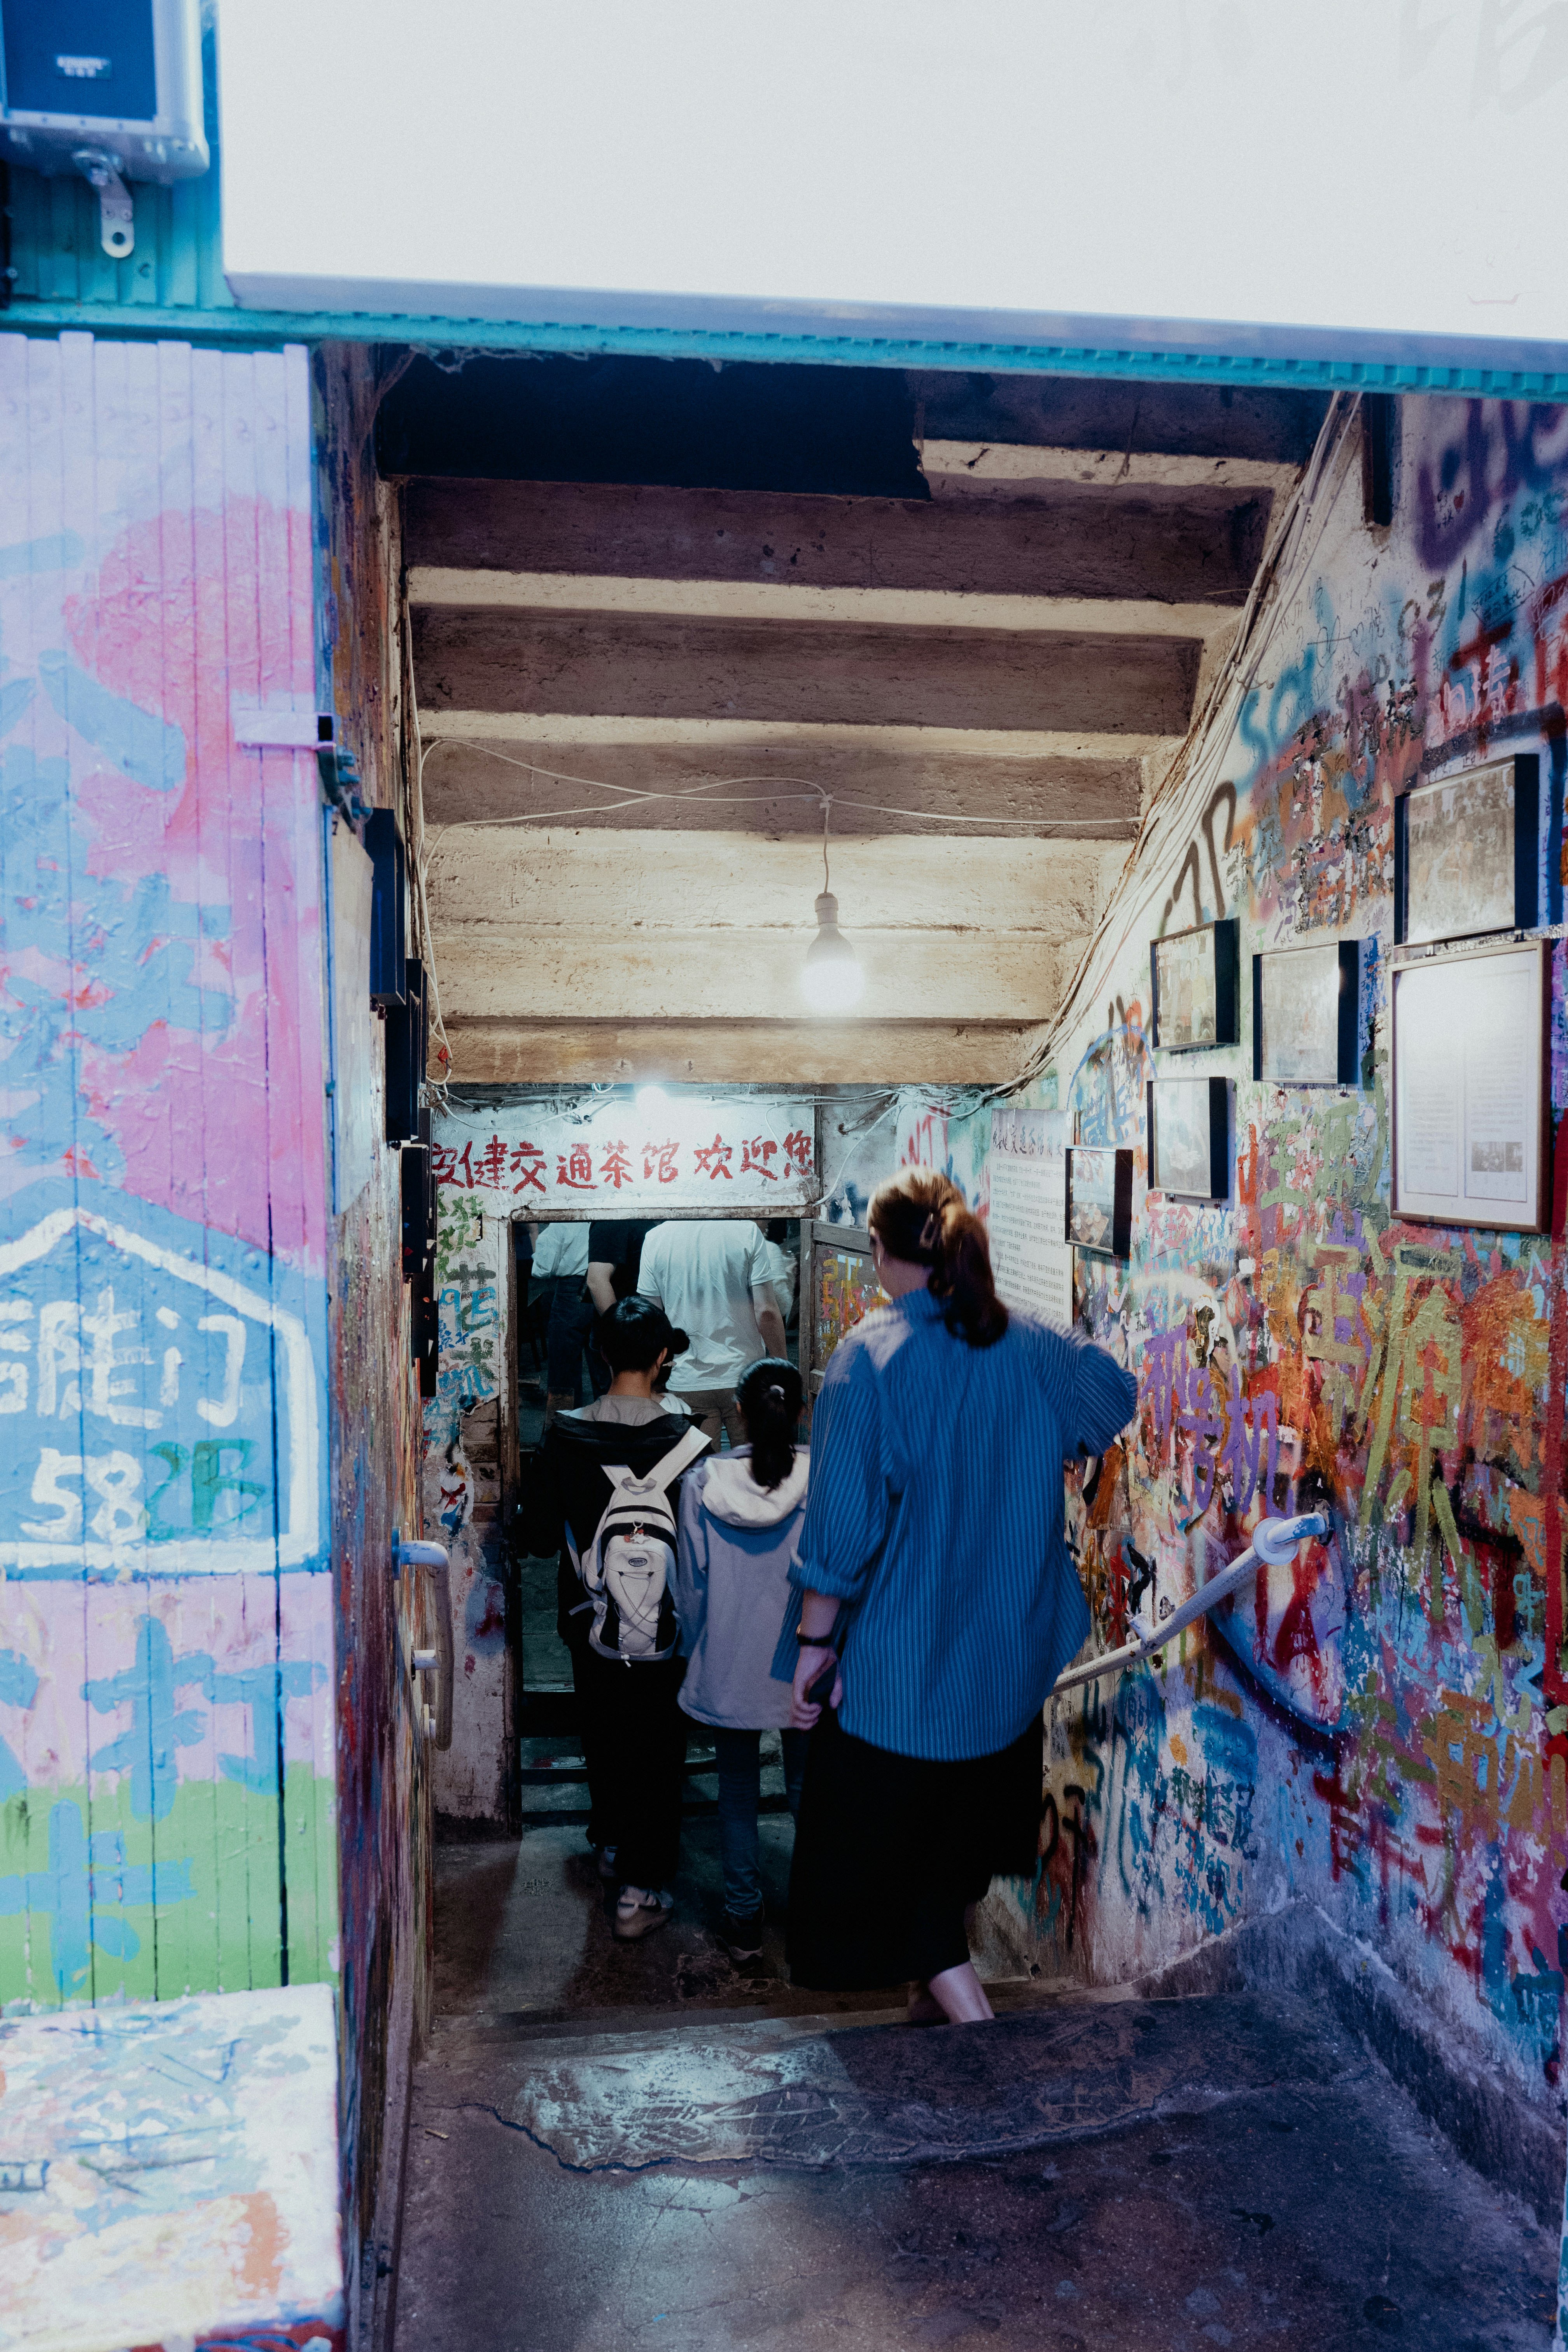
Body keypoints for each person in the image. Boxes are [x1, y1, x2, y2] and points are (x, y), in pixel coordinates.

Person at [785, 1167, 1136, 2025]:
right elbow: (1112, 1396)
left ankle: (980, 2039)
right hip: (1006, 1681)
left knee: (894, 1887)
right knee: (953, 1868)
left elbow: (837, 1540)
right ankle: (935, 2018)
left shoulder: (868, 1359)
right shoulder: (1034, 1345)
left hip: (903, 1687)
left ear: (881, 1249)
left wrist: (811, 1653)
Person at [520, 1297, 710, 1941]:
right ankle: (639, 1890)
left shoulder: (565, 1436)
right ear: (663, 1357)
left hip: (588, 1617)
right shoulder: (693, 1443)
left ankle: (608, 1845)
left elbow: (542, 1536)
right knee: (660, 1746)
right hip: (672, 1625)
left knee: (602, 1732)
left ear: (600, 1352)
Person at [673, 1358, 811, 1964]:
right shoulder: (824, 1480)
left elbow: (692, 1590)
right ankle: (817, 1915)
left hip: (728, 1661)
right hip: (806, 1661)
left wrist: (697, 1651)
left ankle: (743, 1916)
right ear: (801, 1413)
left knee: (736, 1789)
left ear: (738, 1413)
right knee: (809, 1786)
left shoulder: (703, 1484)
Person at [637, 1218, 787, 1446]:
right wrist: (782, 1365)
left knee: (702, 1470)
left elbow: (651, 1318)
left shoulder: (656, 1238)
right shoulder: (747, 1232)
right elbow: (766, 1310)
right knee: (749, 1469)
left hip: (687, 1378)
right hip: (744, 1376)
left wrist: (653, 1378)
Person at [530, 1218, 593, 1424]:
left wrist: (534, 1238)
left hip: (569, 1290)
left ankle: (564, 1427)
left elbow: (542, 1269)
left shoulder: (562, 1225)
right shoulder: (604, 1223)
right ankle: (609, 1428)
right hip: (604, 1287)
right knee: (605, 1366)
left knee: (563, 1367)